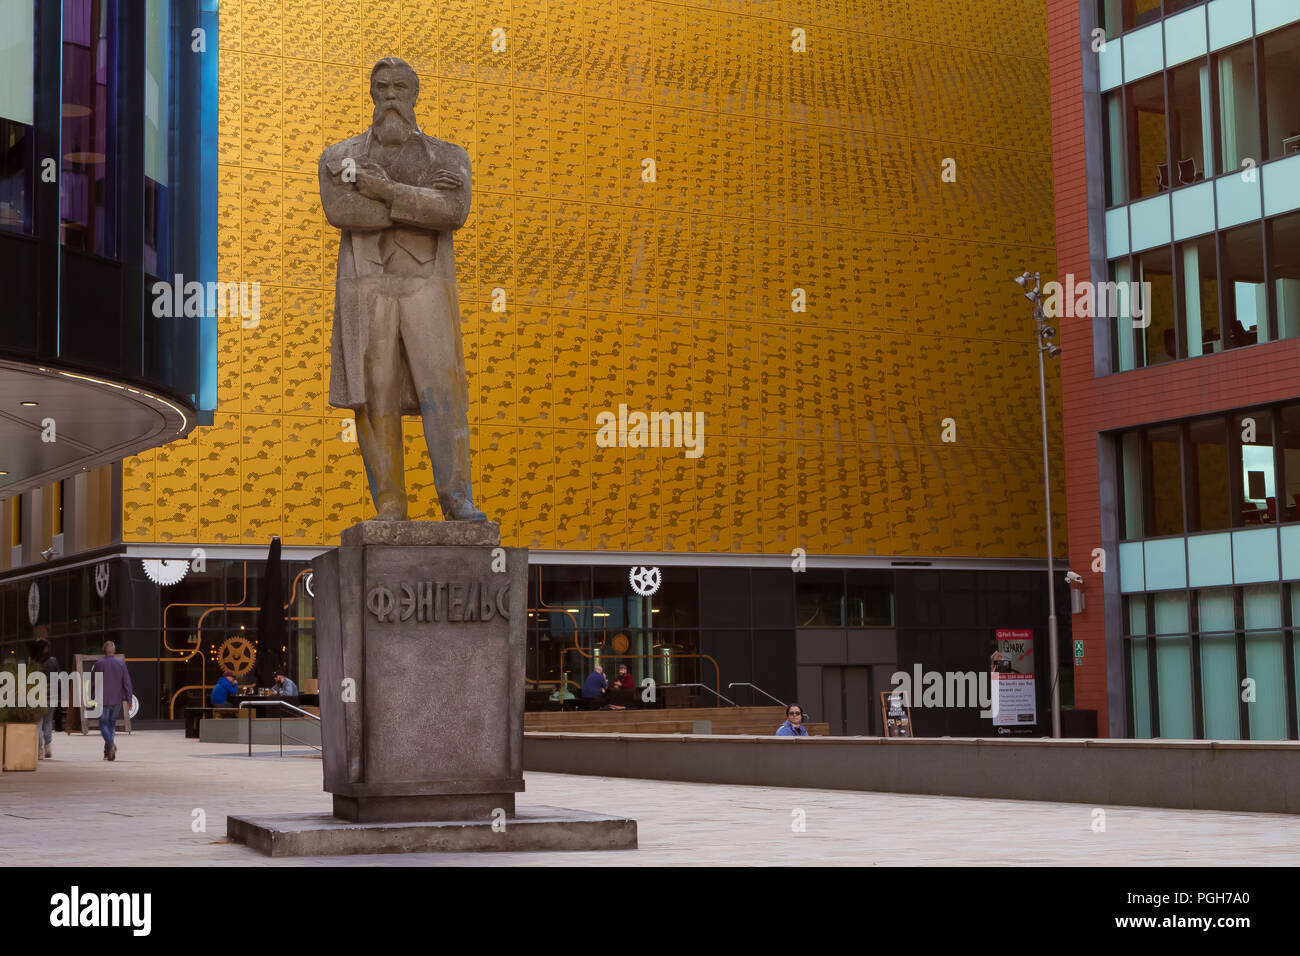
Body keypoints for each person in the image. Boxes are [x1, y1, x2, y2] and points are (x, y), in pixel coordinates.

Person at [318, 56, 485, 522]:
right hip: (368, 286)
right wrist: (418, 200)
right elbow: (345, 213)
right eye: (381, 86)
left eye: (400, 87)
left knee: (443, 391)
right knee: (376, 395)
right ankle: (389, 504)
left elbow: (452, 213)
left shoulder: (450, 156)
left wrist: (385, 190)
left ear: (415, 94)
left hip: (427, 284)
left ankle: (457, 498)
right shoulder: (338, 156)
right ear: (371, 94)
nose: (390, 95)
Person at [90, 641, 133, 761]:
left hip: (102, 699)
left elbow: (94, 682)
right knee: (111, 724)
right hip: (117, 699)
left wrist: (92, 696)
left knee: (103, 724)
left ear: (104, 650)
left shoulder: (99, 664)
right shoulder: (121, 664)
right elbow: (127, 682)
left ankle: (110, 744)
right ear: (114, 651)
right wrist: (129, 698)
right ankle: (107, 751)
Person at [30, 639, 57, 760]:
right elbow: (58, 678)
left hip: (37, 696)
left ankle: (39, 750)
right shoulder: (52, 661)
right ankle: (48, 748)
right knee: (48, 721)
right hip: (51, 695)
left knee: (39, 723)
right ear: (45, 648)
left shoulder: (33, 662)